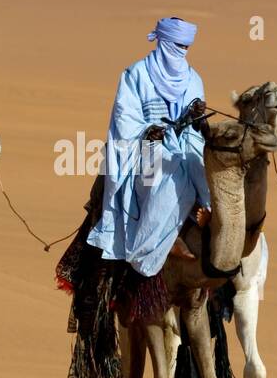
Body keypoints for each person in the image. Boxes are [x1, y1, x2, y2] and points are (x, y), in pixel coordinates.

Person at [87, 16, 208, 277]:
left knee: (207, 168)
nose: (181, 52)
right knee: (170, 175)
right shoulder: (135, 74)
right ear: (163, 42)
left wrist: (196, 117)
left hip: (183, 143)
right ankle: (150, 246)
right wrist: (147, 131)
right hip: (143, 147)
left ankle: (210, 220)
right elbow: (124, 116)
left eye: (186, 47)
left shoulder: (193, 79)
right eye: (177, 46)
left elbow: (195, 127)